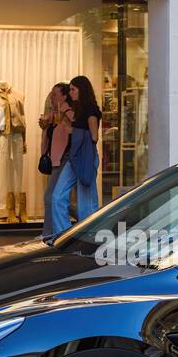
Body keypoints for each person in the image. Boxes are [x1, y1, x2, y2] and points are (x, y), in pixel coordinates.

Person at [50, 75, 102, 236]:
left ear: (82, 90)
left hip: (85, 156)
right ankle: (64, 235)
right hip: (76, 157)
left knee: (86, 202)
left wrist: (72, 129)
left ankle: (89, 236)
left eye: (73, 89)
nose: (70, 92)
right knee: (58, 196)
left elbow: (94, 136)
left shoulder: (91, 110)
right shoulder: (79, 110)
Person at [39, 83, 72, 240]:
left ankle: (49, 235)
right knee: (56, 197)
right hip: (56, 159)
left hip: (64, 159)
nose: (51, 97)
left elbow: (73, 133)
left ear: (64, 96)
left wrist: (63, 122)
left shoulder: (67, 113)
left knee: (51, 197)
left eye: (55, 94)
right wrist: (45, 125)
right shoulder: (53, 114)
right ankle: (52, 233)